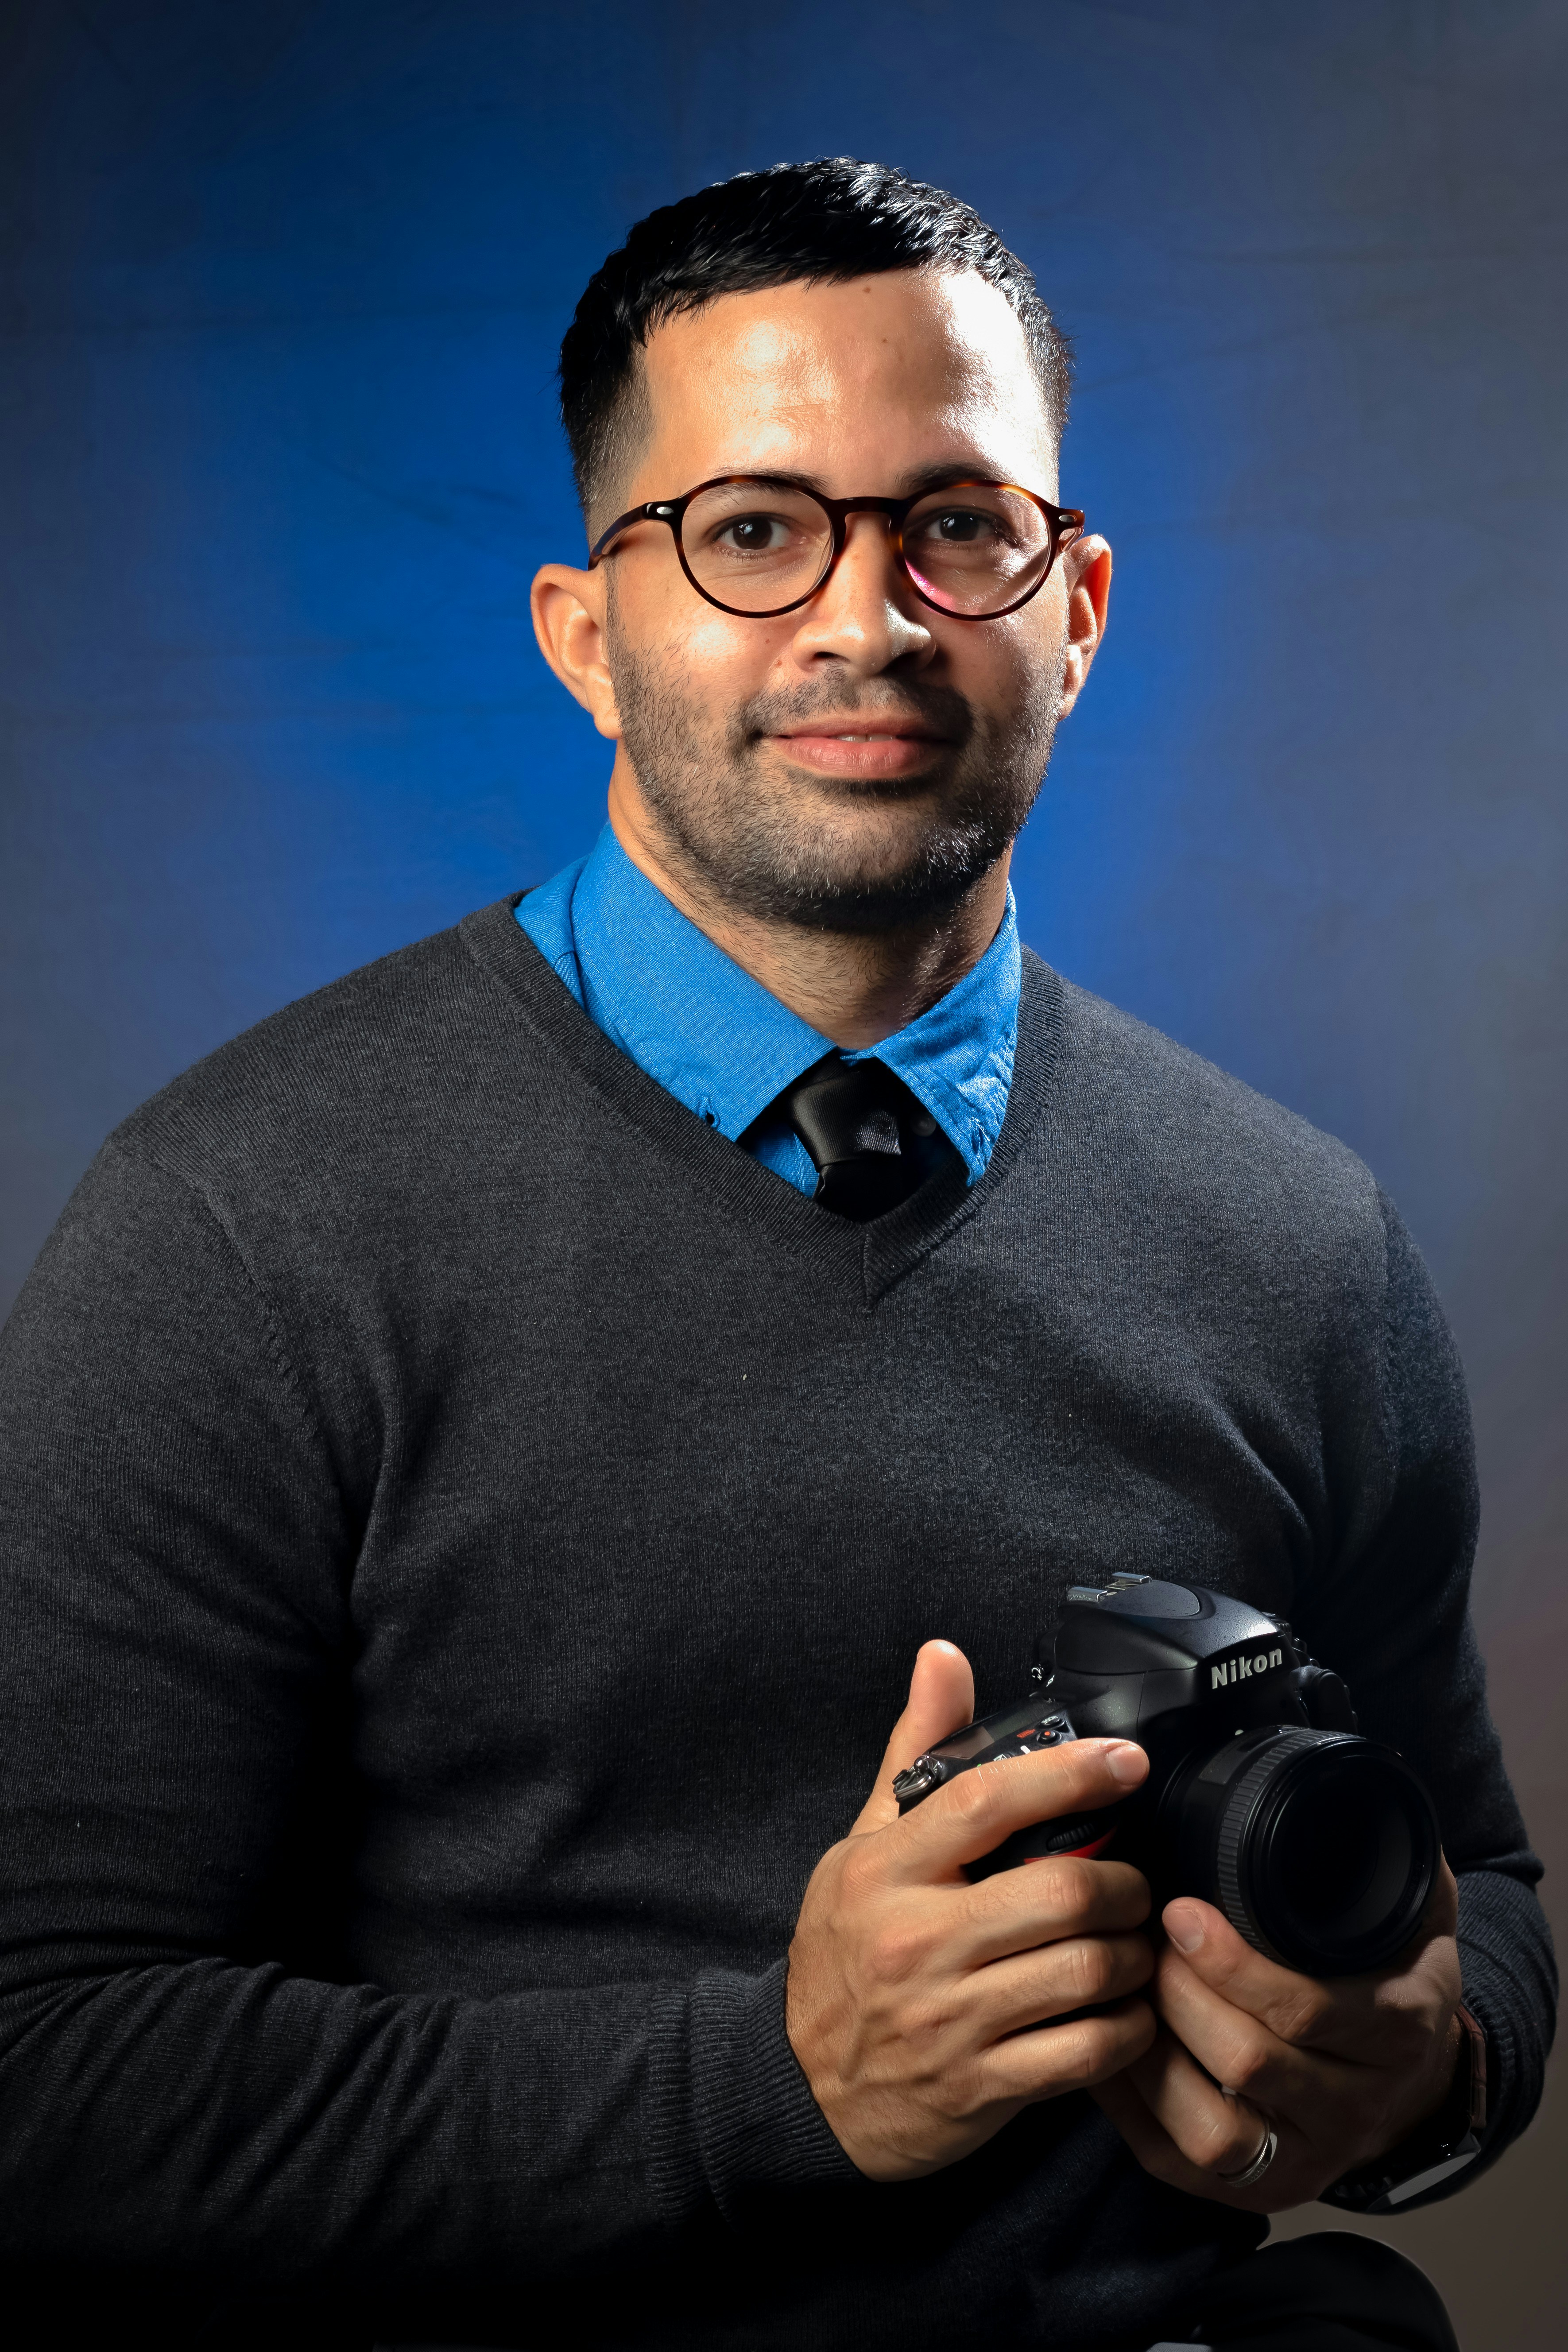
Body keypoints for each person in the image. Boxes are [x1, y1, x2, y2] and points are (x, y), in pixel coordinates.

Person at [0, 159, 1553, 2352]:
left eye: (958, 525)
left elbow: (1477, 1889)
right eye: (748, 530)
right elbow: (44, 2072)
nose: (869, 616)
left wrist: (1431, 2054)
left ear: (1076, 600)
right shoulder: (239, 1232)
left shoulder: (1301, 1239)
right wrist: (778, 2085)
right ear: (584, 635)